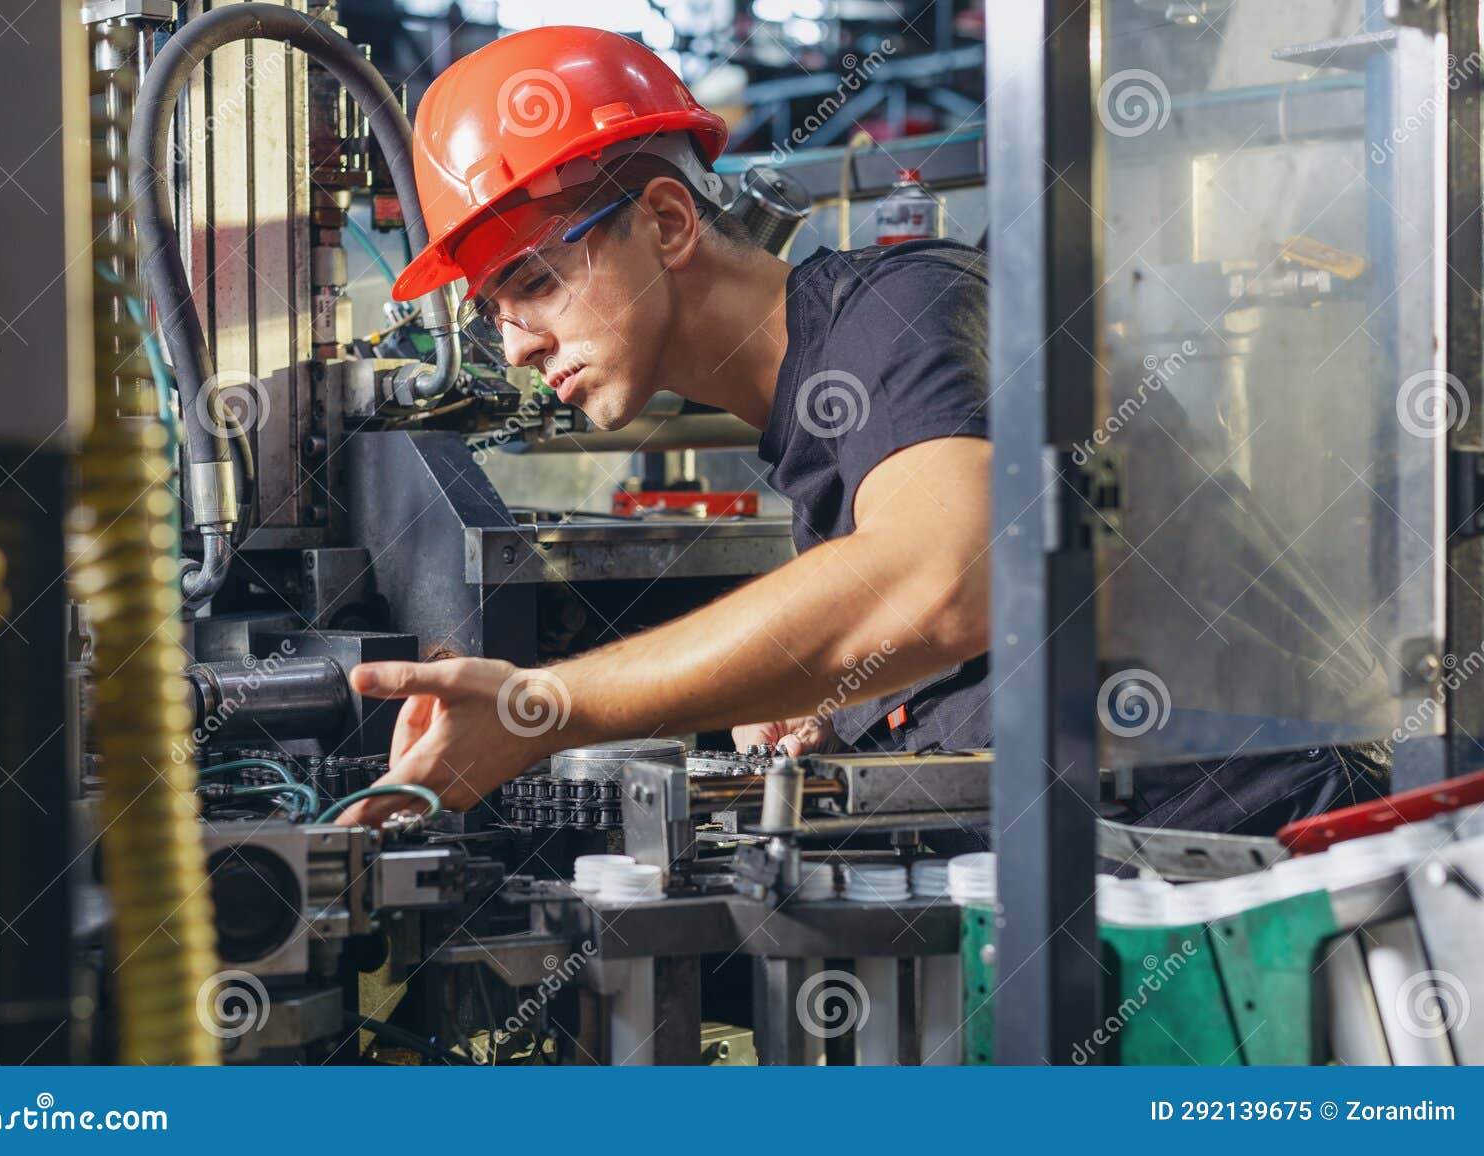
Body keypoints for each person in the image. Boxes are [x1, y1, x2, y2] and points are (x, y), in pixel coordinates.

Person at [333, 26, 1388, 833]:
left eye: (535, 280)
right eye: (492, 311)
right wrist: (839, 703)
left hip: (1279, 879)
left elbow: (951, 576)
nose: (515, 343)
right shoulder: (818, 428)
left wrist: (543, 707)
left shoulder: (900, 310)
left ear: (665, 222)